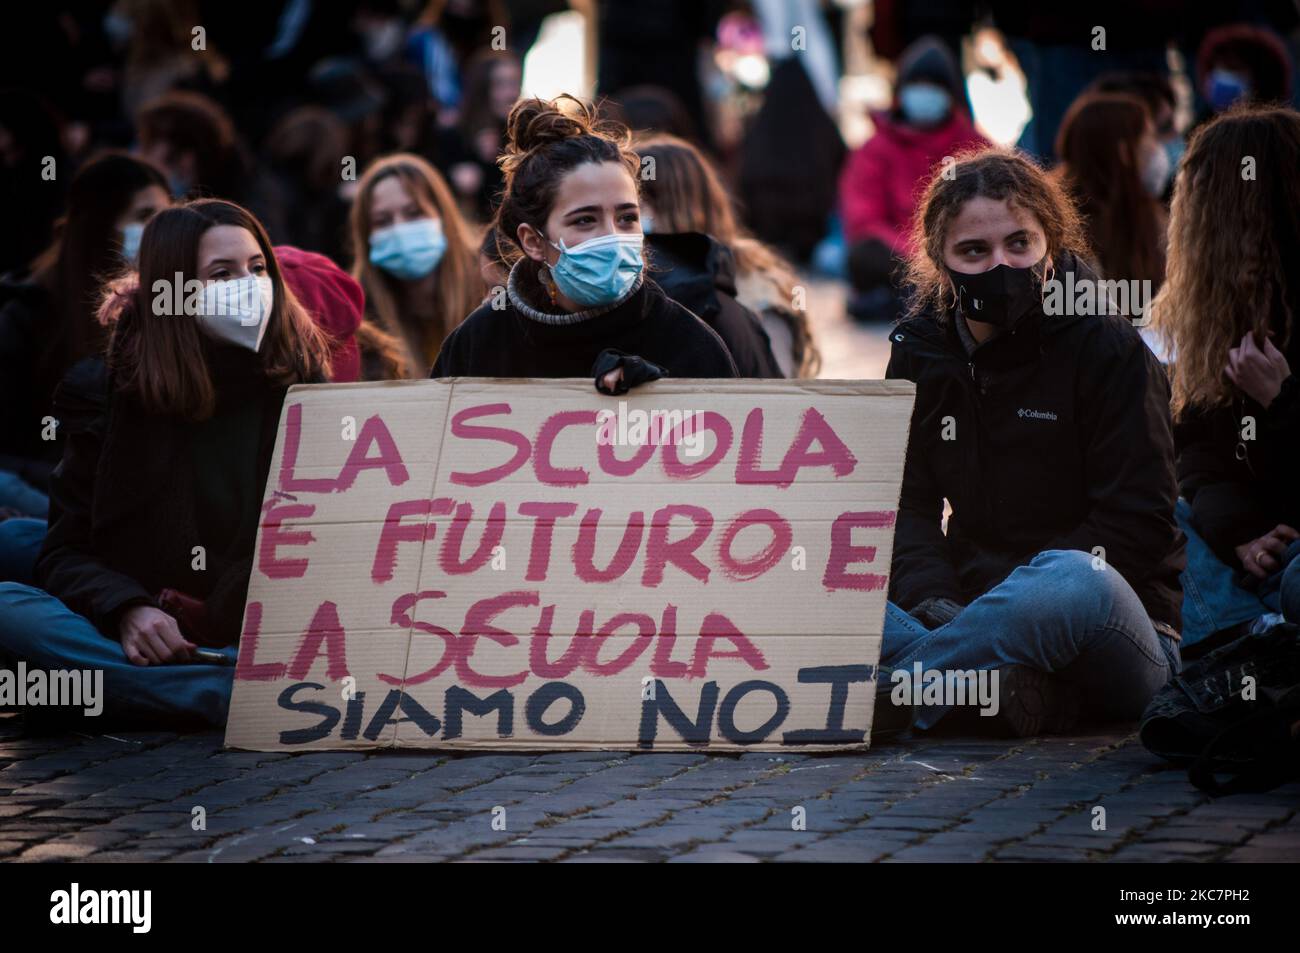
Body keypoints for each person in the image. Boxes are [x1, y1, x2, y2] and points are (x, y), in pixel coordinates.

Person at [883, 148, 1184, 736]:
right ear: (940, 261)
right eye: (975, 251)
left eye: (1020, 244)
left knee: (1072, 579)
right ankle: (998, 690)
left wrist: (1012, 602)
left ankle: (898, 688)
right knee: (825, 578)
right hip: (957, 612)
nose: (1002, 264)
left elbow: (1139, 522)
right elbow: (902, 504)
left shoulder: (1105, 344)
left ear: (1050, 242)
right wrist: (936, 601)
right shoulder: (920, 350)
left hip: (1112, 622)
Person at [0, 199, 334, 727]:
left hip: (250, 619)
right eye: (221, 274)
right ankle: (217, 685)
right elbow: (68, 548)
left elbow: (323, 545)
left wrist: (213, 610)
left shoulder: (300, 384)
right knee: (9, 597)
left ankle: (216, 691)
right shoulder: (109, 393)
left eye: (257, 268)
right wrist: (128, 608)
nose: (248, 286)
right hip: (152, 610)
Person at [431, 96, 737, 386]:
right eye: (585, 220)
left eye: (627, 218)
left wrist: (658, 398)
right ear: (533, 241)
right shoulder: (481, 343)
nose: (612, 237)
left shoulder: (688, 342)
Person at [1151, 105, 1300, 647]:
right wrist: (1242, 537)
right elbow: (1198, 459)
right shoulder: (1216, 319)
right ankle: (1251, 637)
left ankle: (1239, 635)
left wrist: (1282, 400)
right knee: (1155, 516)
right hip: (1256, 554)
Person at [0, 151, 170, 511]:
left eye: (165, 217)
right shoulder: (25, 315)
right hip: (45, 495)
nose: (158, 231)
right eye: (144, 216)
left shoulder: (163, 307)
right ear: (101, 224)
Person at [635, 133, 818, 378]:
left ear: (671, 205)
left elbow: (778, 391)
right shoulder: (640, 280)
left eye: (635, 207)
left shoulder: (758, 285)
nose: (623, 225)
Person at [838, 36, 988, 322]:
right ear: (900, 92)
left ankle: (917, 299)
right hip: (900, 257)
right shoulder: (874, 149)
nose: (925, 94)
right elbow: (863, 221)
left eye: (935, 87)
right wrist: (919, 259)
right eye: (917, 85)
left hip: (958, 254)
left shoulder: (976, 147)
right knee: (863, 256)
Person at [349, 153, 483, 378]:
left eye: (414, 213)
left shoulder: (493, 286)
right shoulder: (359, 321)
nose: (400, 230)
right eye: (382, 221)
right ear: (366, 237)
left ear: (442, 215)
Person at [1054, 92, 1168, 292]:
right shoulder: (1069, 237)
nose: (1158, 149)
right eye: (1150, 137)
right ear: (1124, 152)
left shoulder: (1148, 215)